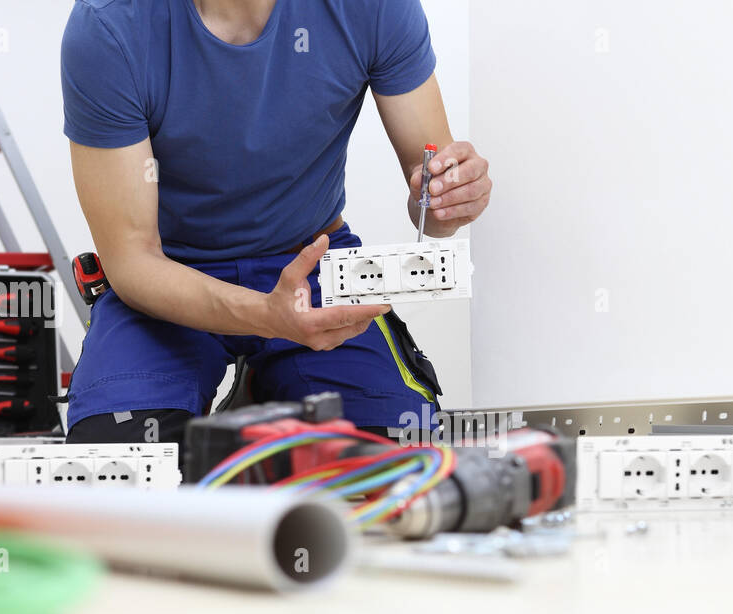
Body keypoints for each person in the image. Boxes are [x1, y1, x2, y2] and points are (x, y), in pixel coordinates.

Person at [59, 0, 492, 445]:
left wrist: (449, 201)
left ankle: (268, 386)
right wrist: (266, 317)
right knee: (118, 472)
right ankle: (263, 388)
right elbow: (133, 261)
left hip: (311, 266)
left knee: (392, 464)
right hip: (167, 283)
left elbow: (433, 197)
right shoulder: (110, 25)